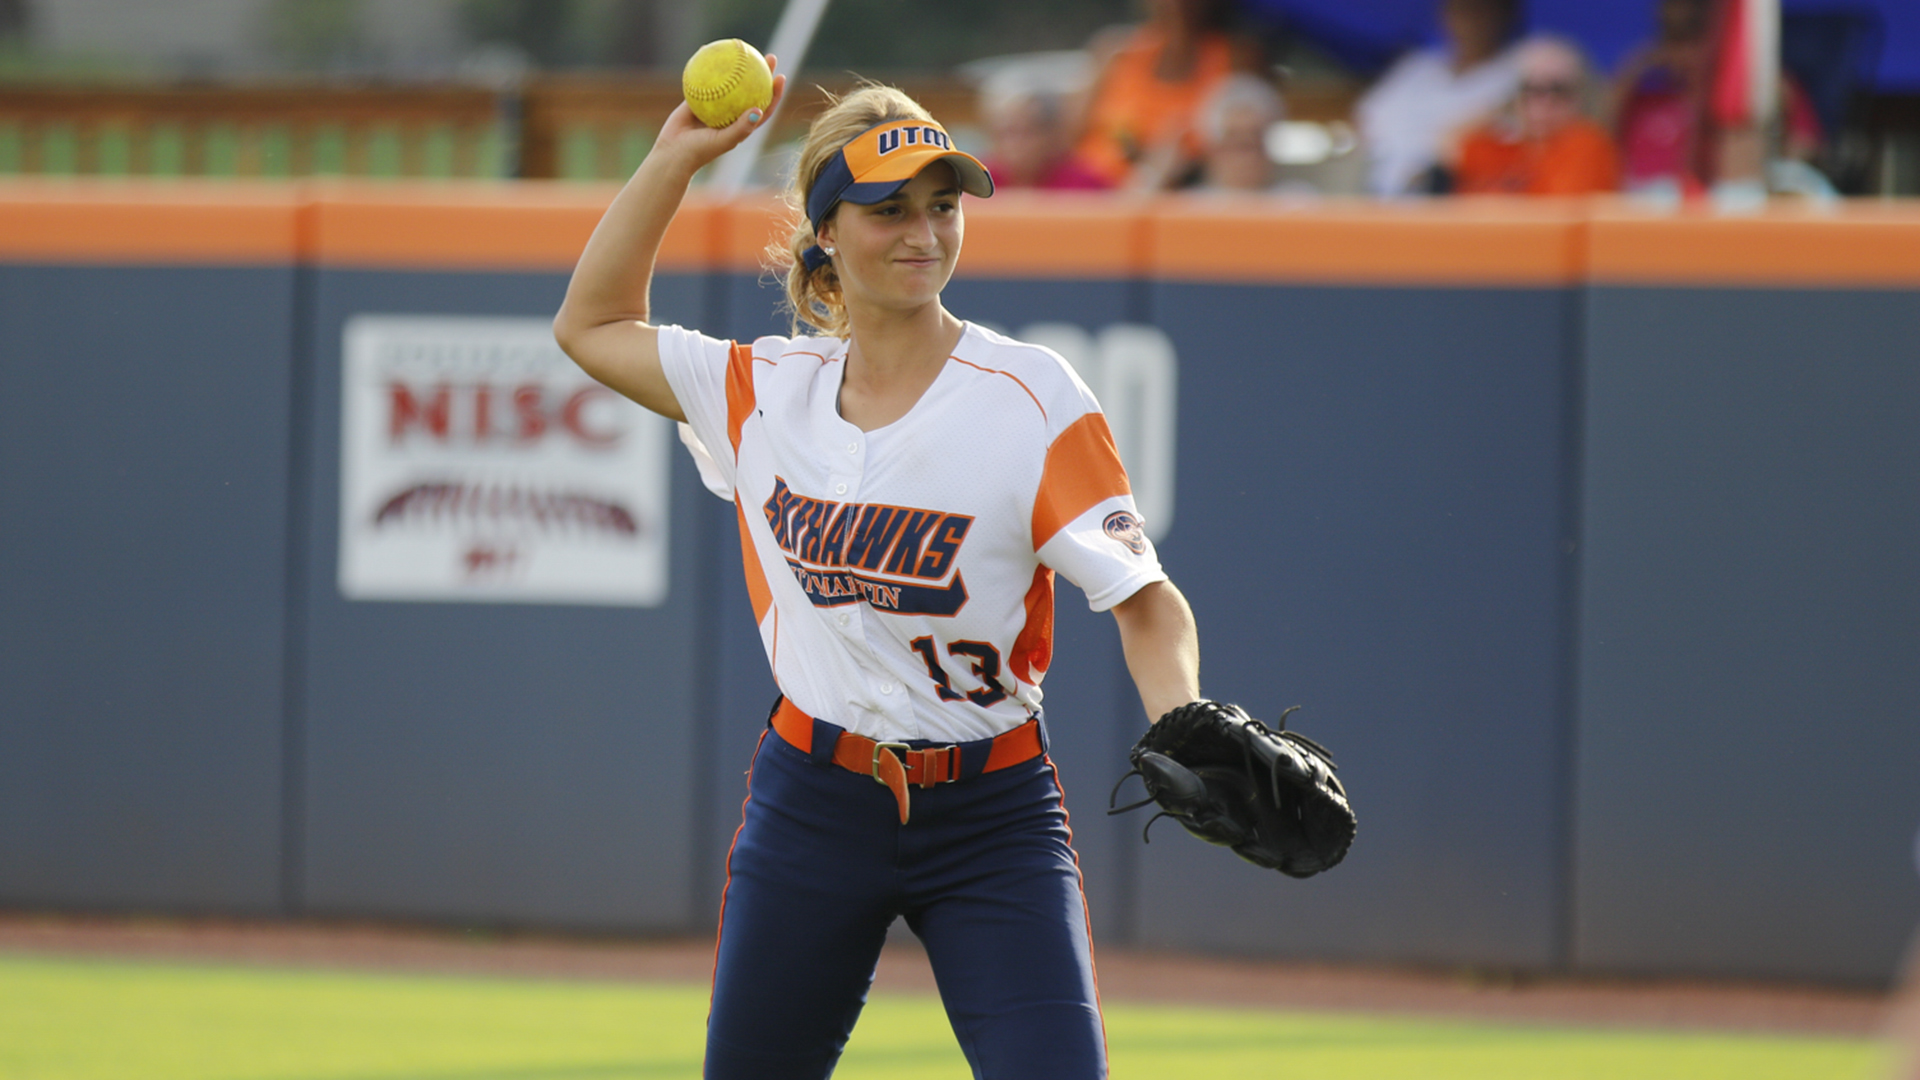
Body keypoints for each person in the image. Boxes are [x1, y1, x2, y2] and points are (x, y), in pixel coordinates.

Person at [553, 66, 1205, 1080]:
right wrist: (677, 158)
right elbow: (589, 326)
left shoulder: (1029, 396)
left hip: (993, 812)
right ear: (825, 232)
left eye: (943, 206)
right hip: (814, 801)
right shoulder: (764, 391)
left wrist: (1184, 718)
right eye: (888, 209)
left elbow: (1142, 599)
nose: (924, 232)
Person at [1354, 0, 1524, 196]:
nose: (1470, 19)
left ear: (1506, 14)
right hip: (1383, 187)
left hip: (1462, 193)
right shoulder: (1419, 66)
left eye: (1481, 9)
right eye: (1461, 9)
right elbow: (1367, 117)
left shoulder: (1523, 66)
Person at [1073, 0, 1241, 188]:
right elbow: (1070, 134)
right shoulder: (1116, 51)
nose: (1174, 6)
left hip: (1174, 197)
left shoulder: (1231, 59)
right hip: (1089, 191)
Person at [1454, 36, 1618, 195]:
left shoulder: (1587, 144)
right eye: (1531, 89)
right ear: (1515, 97)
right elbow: (1450, 151)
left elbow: (1556, 213)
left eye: (1558, 90)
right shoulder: (1490, 148)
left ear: (1582, 96)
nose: (1544, 102)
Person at [978, 77, 1111, 191]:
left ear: (1051, 134)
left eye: (1027, 132)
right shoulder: (977, 180)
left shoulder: (1085, 186)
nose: (1015, 145)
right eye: (1006, 133)